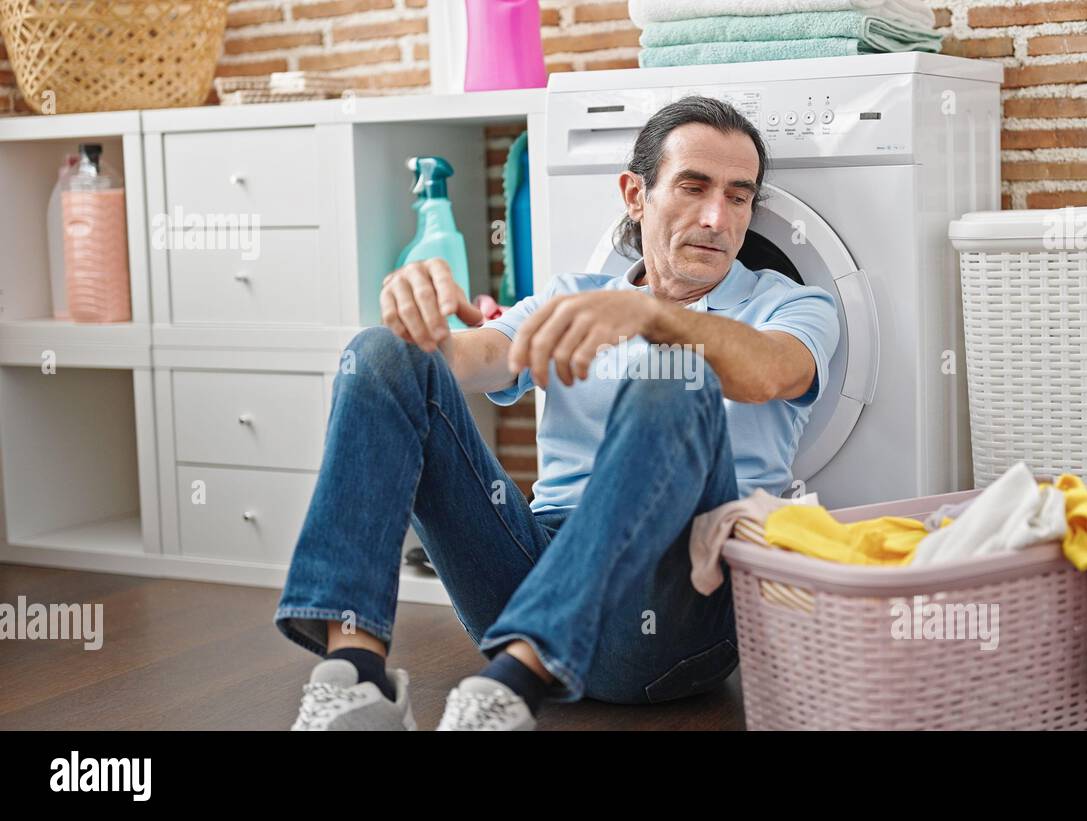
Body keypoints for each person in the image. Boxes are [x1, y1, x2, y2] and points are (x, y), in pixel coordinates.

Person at [276, 95, 841, 731]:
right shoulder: (571, 298)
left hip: (677, 613)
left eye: (739, 196)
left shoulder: (792, 304)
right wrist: (417, 314)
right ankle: (359, 679)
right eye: (692, 185)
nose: (716, 216)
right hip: (526, 578)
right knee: (380, 352)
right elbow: (465, 359)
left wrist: (655, 317)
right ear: (635, 194)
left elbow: (773, 371)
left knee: (676, 375)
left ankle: (517, 678)